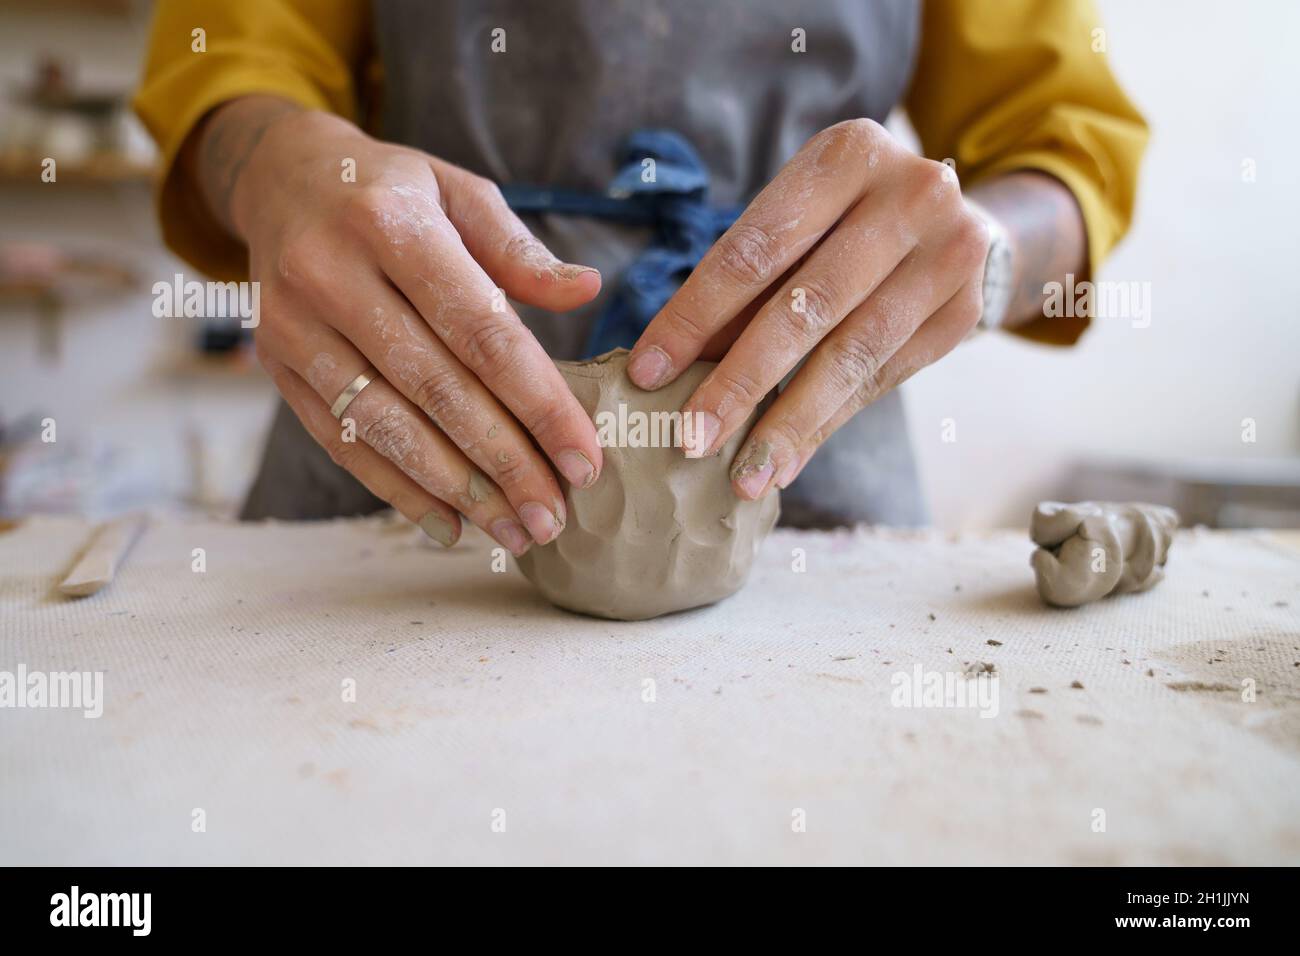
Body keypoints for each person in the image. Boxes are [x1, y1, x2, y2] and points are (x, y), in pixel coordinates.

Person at [135, 0, 1146, 554]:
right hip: (396, 438)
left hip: (808, 473)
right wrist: (274, 166)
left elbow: (1063, 146)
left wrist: (986, 251)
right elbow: (228, 59)